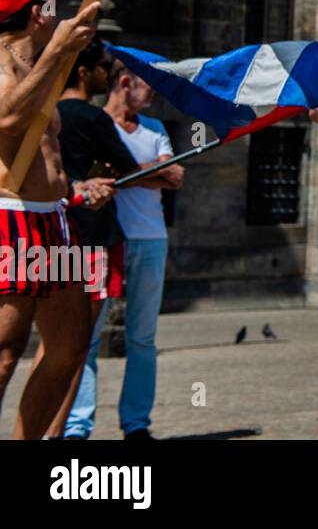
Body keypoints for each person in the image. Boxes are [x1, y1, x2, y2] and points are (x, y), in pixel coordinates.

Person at [0, 0, 113, 438]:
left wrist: (75, 190)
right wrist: (63, 50)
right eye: (49, 4)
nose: (56, 13)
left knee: (68, 349)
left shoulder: (39, 68)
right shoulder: (3, 65)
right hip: (11, 217)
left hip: (55, 220)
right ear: (35, 14)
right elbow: (6, 117)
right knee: (5, 352)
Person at [67, 62, 183, 440]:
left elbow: (176, 176)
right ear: (124, 82)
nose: (153, 94)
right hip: (104, 240)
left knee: (143, 337)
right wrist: (154, 172)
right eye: (147, 86)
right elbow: (158, 174)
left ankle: (136, 425)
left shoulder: (156, 129)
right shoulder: (94, 124)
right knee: (87, 336)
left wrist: (125, 172)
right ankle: (77, 426)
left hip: (151, 240)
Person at [36, 39, 144, 438]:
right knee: (78, 345)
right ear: (83, 72)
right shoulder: (91, 118)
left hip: (55, 236)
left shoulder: (48, 113)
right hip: (92, 240)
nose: (108, 74)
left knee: (50, 345)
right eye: (102, 66)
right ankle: (61, 432)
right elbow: (133, 168)